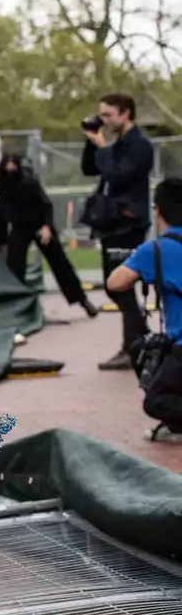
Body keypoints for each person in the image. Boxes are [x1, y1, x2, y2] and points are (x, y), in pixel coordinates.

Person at [0, 152, 98, 318]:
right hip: (20, 227)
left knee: (60, 264)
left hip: (40, 226)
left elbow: (46, 205)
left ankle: (82, 300)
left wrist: (47, 227)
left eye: (13, 164)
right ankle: (19, 306)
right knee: (15, 266)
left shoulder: (29, 182)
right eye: (7, 164)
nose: (10, 168)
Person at [82, 93, 154, 370]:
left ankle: (134, 344)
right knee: (114, 285)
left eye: (109, 115)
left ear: (126, 114)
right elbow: (91, 169)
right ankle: (139, 338)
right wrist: (92, 142)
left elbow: (118, 175)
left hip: (129, 223)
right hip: (111, 223)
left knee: (119, 285)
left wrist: (102, 147)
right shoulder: (117, 144)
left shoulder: (140, 146)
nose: (105, 120)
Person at [107, 177, 182, 442]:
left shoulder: (156, 250)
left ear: (157, 210)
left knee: (156, 400)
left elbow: (115, 282)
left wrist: (142, 267)